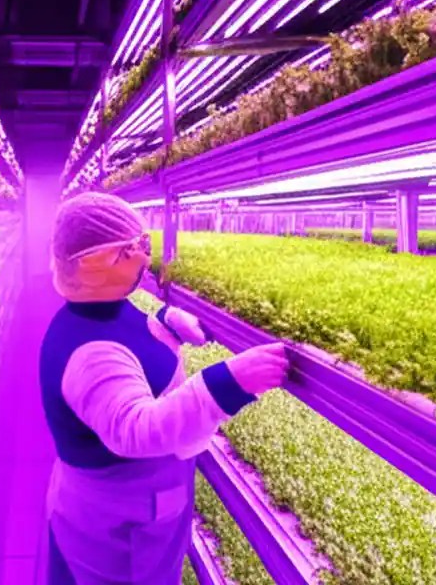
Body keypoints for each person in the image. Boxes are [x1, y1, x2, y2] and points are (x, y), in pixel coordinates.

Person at [40, 192, 289, 585]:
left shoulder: (96, 307)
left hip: (137, 509)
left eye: (143, 243)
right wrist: (229, 382)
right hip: (117, 529)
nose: (143, 255)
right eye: (130, 250)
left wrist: (163, 319)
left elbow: (124, 322)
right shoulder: (88, 354)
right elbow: (138, 429)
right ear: (89, 264)